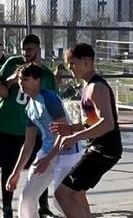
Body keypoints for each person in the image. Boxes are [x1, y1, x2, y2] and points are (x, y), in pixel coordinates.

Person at [0, 34, 57, 218]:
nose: (25, 53)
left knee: (39, 168)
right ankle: (7, 208)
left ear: (38, 49)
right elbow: (3, 92)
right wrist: (8, 81)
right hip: (9, 125)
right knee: (8, 168)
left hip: (35, 128)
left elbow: (51, 103)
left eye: (29, 49)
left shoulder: (45, 74)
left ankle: (42, 206)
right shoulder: (12, 63)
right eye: (23, 49)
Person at [50, 42, 124, 218]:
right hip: (100, 149)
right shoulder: (87, 86)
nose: (69, 68)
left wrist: (75, 137)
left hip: (103, 150)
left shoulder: (96, 87)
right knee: (77, 193)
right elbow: (91, 122)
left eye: (72, 63)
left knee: (62, 193)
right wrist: (70, 128)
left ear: (86, 62)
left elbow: (107, 124)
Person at [5, 63, 82, 218]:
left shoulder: (49, 98)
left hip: (67, 152)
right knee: (27, 197)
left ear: (38, 80)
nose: (21, 83)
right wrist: (15, 173)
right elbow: (28, 143)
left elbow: (64, 130)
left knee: (62, 200)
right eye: (20, 80)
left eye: (25, 79)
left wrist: (48, 159)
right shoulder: (29, 107)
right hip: (47, 153)